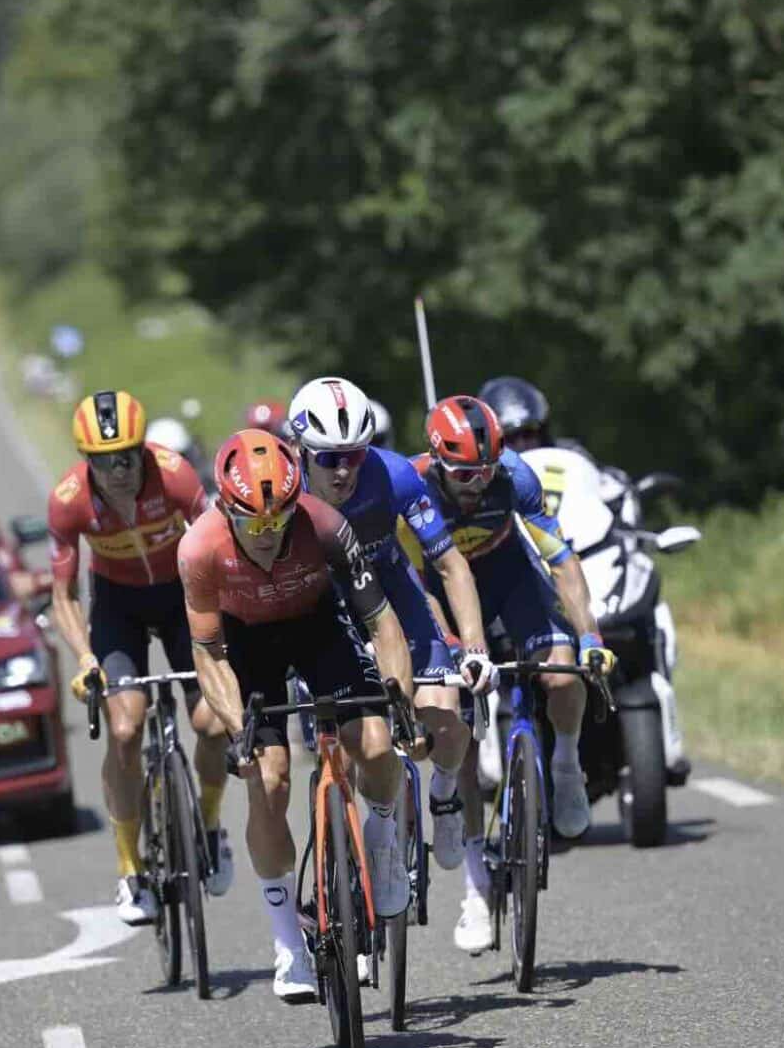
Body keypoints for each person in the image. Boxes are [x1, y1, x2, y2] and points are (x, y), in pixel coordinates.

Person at [179, 428, 418, 1002]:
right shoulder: (199, 549)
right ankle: (289, 944)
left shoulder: (326, 526)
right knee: (268, 779)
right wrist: (239, 731)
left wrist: (399, 697)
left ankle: (383, 843)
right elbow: (209, 658)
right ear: (224, 508)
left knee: (378, 745)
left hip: (317, 629)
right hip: (245, 646)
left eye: (278, 521)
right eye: (253, 524)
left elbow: (383, 624)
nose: (267, 536)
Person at [284, 376, 499, 953]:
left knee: (445, 720)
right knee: (353, 743)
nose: (342, 471)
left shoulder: (396, 475)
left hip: (390, 593)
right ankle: (346, 868)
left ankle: (447, 794)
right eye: (328, 459)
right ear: (303, 452)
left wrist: (473, 649)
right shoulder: (284, 488)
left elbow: (450, 565)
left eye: (353, 455)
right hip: (318, 605)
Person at [46, 390, 233, 924]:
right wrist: (85, 657)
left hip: (181, 599)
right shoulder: (68, 499)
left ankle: (213, 828)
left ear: (142, 450)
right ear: (87, 461)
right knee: (126, 729)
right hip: (117, 608)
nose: (120, 470)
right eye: (104, 461)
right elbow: (63, 595)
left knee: (213, 723)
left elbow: (218, 543)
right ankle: (130, 871)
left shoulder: (174, 475)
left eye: (127, 455)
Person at [406, 395, 615, 850]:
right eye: (464, 474)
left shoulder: (516, 475)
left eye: (486, 470)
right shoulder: (411, 485)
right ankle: (471, 849)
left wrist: (590, 637)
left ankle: (564, 762)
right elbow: (417, 583)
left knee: (562, 673)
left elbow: (560, 560)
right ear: (437, 460)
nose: (478, 484)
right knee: (456, 712)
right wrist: (455, 644)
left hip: (508, 574)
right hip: (438, 587)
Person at [480, 375, 689, 779]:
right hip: (516, 580)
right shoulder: (481, 477)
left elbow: (616, 497)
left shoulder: (576, 460)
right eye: (510, 438)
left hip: (576, 564)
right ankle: (479, 756)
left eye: (529, 434)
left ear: (543, 429)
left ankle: (655, 722)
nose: (523, 446)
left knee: (652, 598)